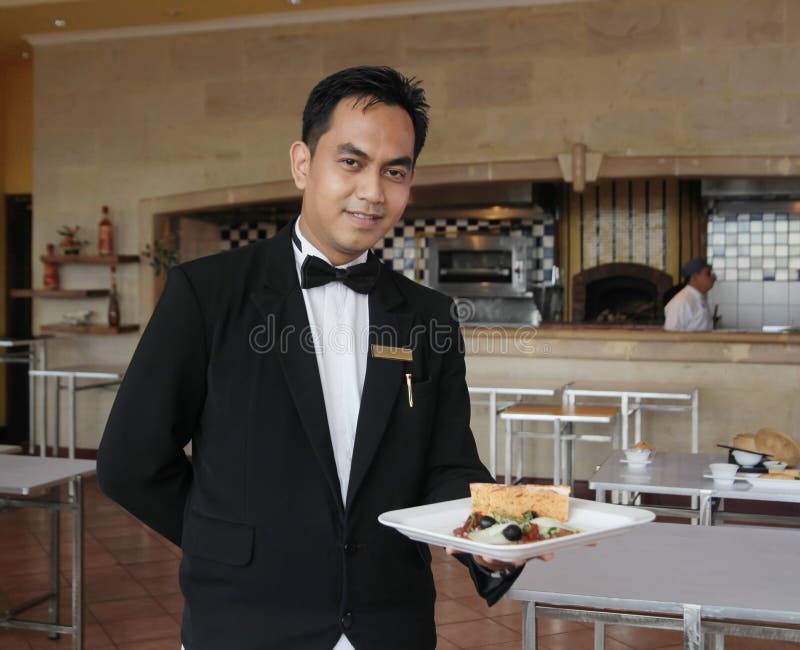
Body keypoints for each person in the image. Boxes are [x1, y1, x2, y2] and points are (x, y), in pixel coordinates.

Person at [97, 66, 543, 650]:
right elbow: (130, 460)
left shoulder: (430, 316)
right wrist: (229, 548)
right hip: (245, 622)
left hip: (390, 621)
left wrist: (495, 537)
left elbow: (447, 463)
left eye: (395, 172)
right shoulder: (206, 294)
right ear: (303, 163)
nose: (373, 193)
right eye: (351, 162)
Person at [663, 258, 716, 331]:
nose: (713, 278)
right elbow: (671, 336)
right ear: (694, 277)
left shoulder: (697, 298)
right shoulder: (682, 302)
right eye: (708, 274)